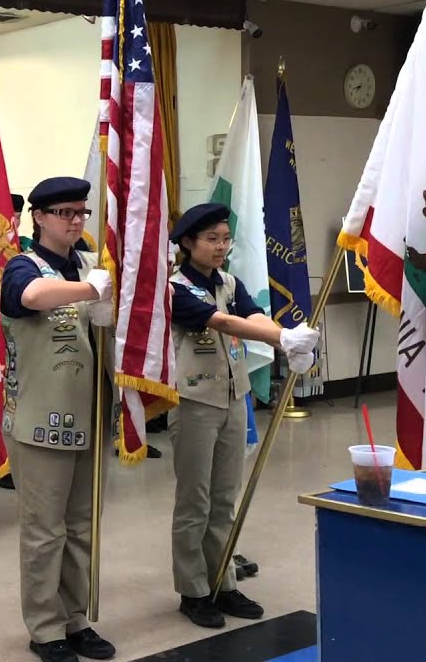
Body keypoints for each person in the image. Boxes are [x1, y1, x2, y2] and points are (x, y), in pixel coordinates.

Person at [167, 202, 319, 629]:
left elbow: (251, 314)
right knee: (194, 501)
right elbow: (223, 323)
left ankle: (223, 582)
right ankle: (193, 591)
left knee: (225, 499)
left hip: (235, 399)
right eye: (211, 239)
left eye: (225, 238)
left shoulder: (231, 282)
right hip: (195, 402)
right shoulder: (176, 288)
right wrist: (282, 338)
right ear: (188, 243)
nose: (220, 246)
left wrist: (285, 339)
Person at [0, 176, 117, 662]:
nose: (75, 221)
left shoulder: (91, 264)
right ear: (39, 217)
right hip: (41, 420)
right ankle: (45, 628)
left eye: (81, 212)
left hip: (91, 415)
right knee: (45, 530)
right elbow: (28, 298)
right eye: (64, 212)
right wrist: (89, 290)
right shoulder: (23, 267)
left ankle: (76, 617)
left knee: (82, 524)